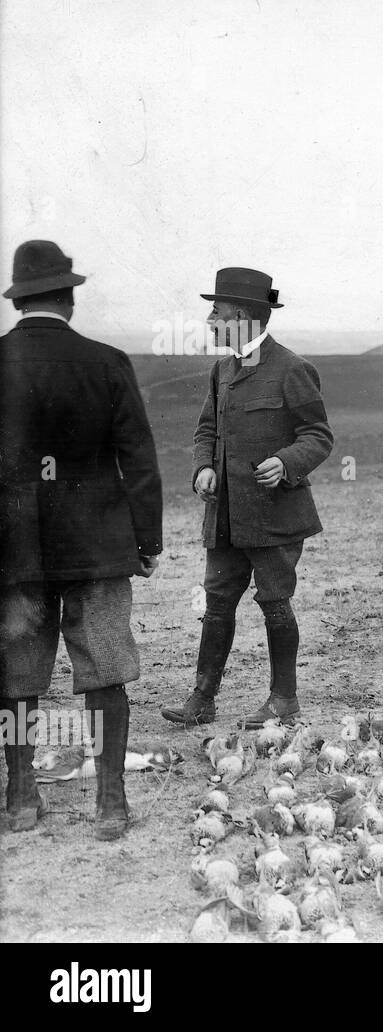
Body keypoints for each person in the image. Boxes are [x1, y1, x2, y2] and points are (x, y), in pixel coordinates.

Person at [0, 240, 163, 838]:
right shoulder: (109, 362)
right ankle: (110, 803)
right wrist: (145, 539)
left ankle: (19, 800)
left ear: (20, 300)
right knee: (105, 667)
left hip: (14, 551)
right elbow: (139, 460)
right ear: (69, 297)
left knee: (15, 675)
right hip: (96, 545)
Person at [161, 268, 333, 729]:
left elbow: (317, 435)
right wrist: (203, 467)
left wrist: (287, 461)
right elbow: (207, 430)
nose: (210, 318)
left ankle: (284, 700)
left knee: (274, 602)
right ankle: (203, 699)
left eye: (216, 310)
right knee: (217, 603)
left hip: (275, 516)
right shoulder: (222, 370)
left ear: (242, 315)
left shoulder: (292, 368)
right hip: (225, 519)